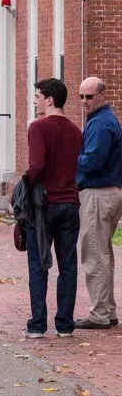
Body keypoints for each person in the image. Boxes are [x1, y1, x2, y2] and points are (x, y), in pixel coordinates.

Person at [15, 78, 83, 338]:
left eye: (37, 96)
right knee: (68, 266)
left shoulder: (38, 128)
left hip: (44, 206)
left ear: (50, 99)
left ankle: (37, 325)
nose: (34, 101)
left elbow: (37, 166)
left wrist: (24, 185)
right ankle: (65, 325)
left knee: (38, 265)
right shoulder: (76, 132)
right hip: (70, 204)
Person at [75, 76, 122, 330]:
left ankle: (99, 314)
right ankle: (108, 311)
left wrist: (72, 158)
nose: (84, 101)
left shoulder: (101, 124)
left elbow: (93, 161)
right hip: (109, 192)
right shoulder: (101, 121)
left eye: (89, 97)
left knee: (93, 253)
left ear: (101, 96)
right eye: (81, 96)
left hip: (98, 193)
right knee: (102, 253)